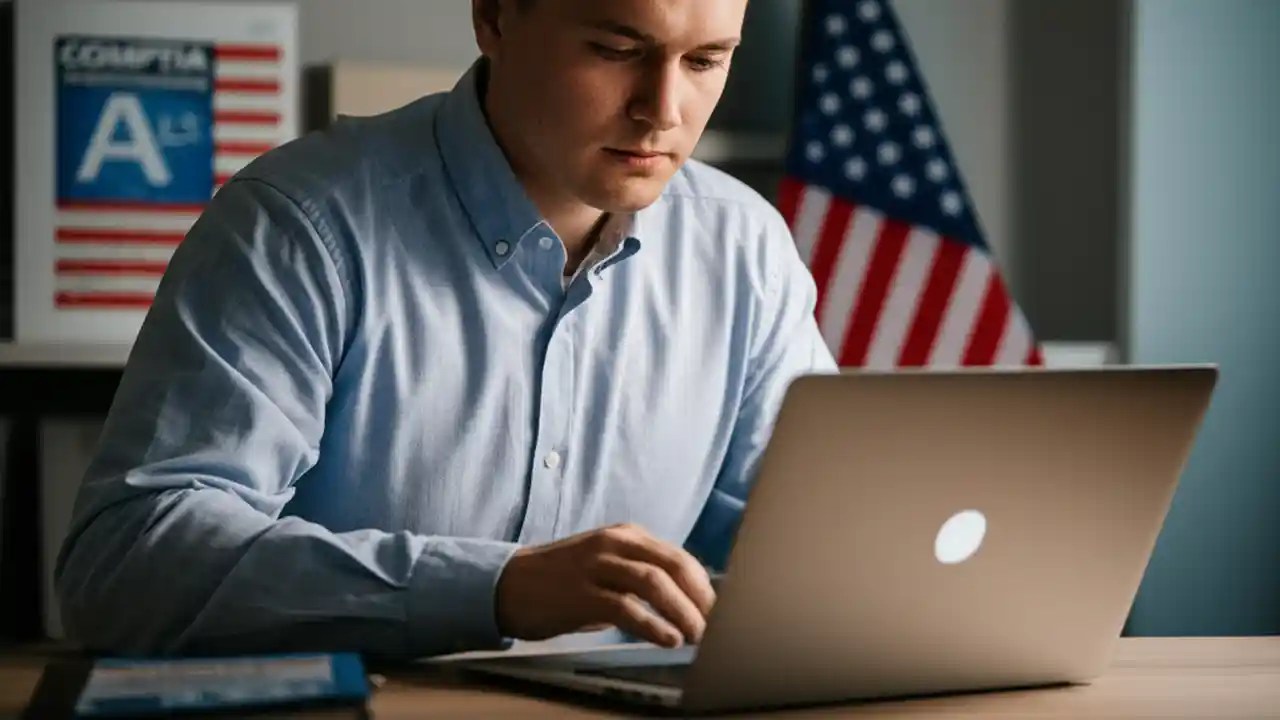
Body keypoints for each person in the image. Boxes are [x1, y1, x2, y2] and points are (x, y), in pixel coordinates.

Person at [55, 0, 834, 658]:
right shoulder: (301, 225)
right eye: (615, 49)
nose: (664, 110)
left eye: (705, 61)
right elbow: (128, 563)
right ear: (493, 17)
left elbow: (805, 549)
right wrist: (493, 590)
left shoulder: (746, 251)